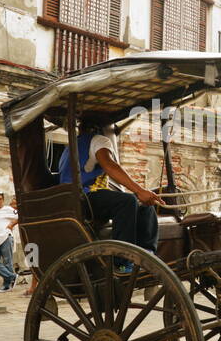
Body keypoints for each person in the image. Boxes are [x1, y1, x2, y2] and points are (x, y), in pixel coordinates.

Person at [58, 114, 162, 272]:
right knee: (128, 201)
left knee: (143, 204)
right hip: (84, 198)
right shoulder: (99, 140)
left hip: (68, 201)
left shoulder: (69, 148)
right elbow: (110, 166)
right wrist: (140, 191)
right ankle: (124, 260)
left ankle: (146, 255)